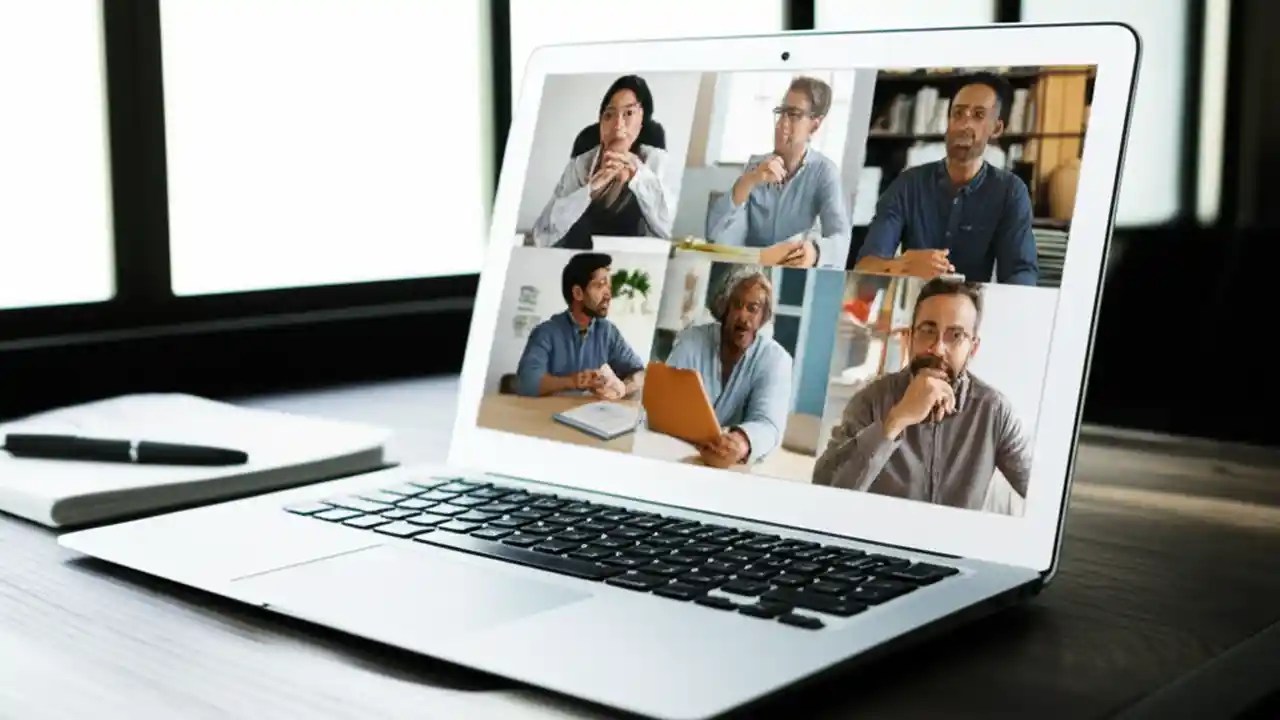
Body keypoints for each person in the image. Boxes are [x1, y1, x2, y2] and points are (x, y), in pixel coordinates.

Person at [812, 278, 1032, 510]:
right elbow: (824, 494)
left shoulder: (995, 412)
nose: (937, 348)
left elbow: (1047, 497)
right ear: (909, 338)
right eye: (928, 331)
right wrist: (894, 422)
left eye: (955, 335)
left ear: (973, 348)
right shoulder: (871, 400)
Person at [853, 72, 1039, 286]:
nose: (963, 124)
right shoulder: (907, 184)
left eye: (978, 115)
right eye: (957, 114)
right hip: (912, 306)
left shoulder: (1010, 191)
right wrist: (900, 266)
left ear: (996, 128)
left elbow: (1021, 272)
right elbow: (864, 266)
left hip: (972, 310)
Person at [705, 76, 851, 270]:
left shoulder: (825, 173)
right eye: (781, 112)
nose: (782, 123)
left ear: (814, 125)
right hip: (748, 273)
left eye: (794, 115)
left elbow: (841, 240)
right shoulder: (756, 166)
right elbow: (718, 236)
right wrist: (749, 180)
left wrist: (815, 252)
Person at [663, 265, 793, 467]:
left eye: (753, 308)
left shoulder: (775, 359)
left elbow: (769, 424)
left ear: (763, 316)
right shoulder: (691, 340)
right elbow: (664, 399)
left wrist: (741, 442)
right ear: (724, 309)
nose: (743, 316)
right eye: (737, 305)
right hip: (678, 453)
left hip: (734, 466)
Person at [531, 75, 676, 248]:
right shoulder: (580, 166)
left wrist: (637, 177)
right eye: (609, 115)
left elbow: (671, 231)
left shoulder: (656, 161)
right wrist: (590, 190)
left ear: (642, 122)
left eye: (628, 113)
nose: (617, 125)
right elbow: (541, 234)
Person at [516, 252, 645, 399]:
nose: (608, 294)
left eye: (608, 286)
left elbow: (640, 372)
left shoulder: (608, 332)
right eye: (600, 286)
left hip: (594, 416)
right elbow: (526, 384)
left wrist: (621, 389)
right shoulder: (545, 333)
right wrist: (572, 381)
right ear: (578, 293)